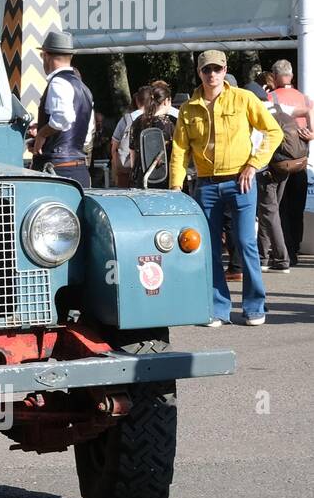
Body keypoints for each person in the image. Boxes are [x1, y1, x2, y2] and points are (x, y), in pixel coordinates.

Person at [169, 50, 282, 327]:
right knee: (207, 248)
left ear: (225, 70)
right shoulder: (188, 108)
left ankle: (254, 306)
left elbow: (274, 131)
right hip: (205, 185)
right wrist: (175, 185)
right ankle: (217, 308)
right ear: (199, 72)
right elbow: (180, 149)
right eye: (207, 70)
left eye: (217, 69)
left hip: (240, 181)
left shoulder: (243, 98)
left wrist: (254, 165)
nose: (212, 75)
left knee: (245, 243)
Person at [29, 30, 95, 187]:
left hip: (57, 169)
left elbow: (63, 119)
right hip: (78, 168)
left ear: (46, 55)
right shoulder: (83, 87)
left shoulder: (58, 82)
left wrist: (41, 136)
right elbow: (84, 134)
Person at [268, 60, 313, 262]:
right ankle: (295, 245)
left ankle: (286, 252)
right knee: (297, 206)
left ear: (275, 76)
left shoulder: (272, 97)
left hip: (281, 162)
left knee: (281, 207)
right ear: (291, 76)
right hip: (302, 161)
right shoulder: (304, 98)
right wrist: (311, 133)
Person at [130, 81, 177, 188]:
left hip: (141, 178)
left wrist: (134, 174)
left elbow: (132, 151)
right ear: (166, 101)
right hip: (167, 177)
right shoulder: (172, 123)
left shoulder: (137, 122)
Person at [110, 86, 151, 188]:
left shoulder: (126, 119)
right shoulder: (155, 118)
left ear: (137, 100)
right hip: (150, 169)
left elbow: (114, 146)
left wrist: (115, 169)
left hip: (126, 169)